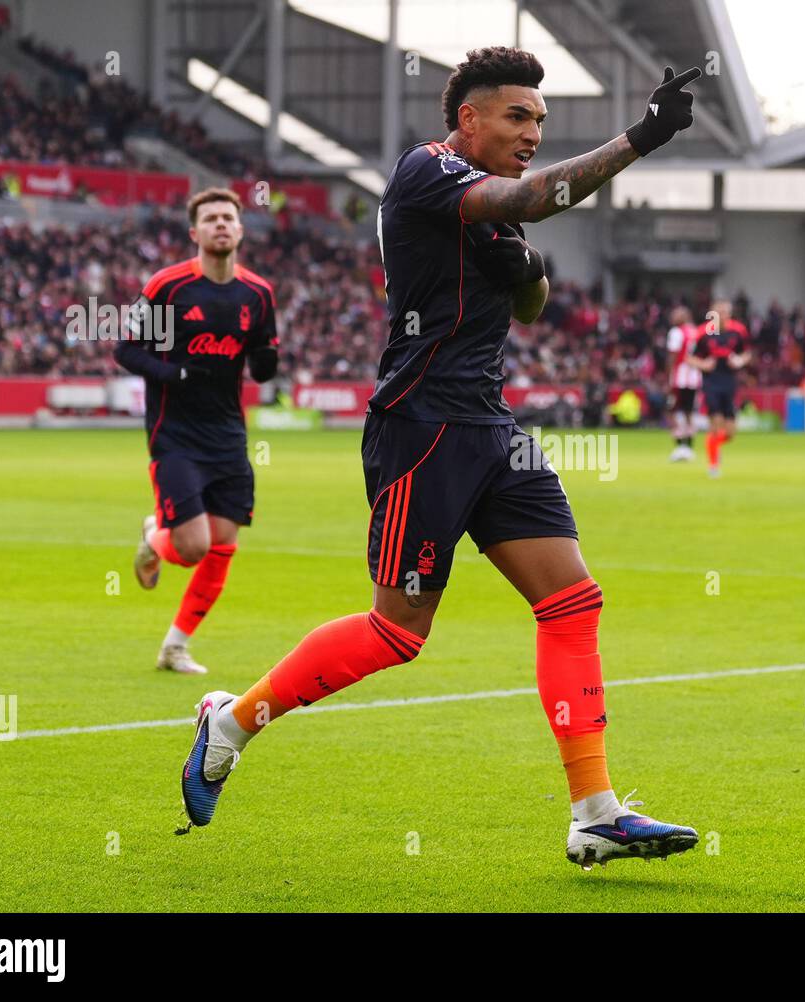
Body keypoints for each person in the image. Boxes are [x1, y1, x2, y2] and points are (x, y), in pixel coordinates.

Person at [179, 47, 702, 870]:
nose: (532, 132)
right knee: (398, 631)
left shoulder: (497, 202)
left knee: (572, 602)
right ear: (469, 119)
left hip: (493, 428)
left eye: (540, 120)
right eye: (518, 116)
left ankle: (594, 812)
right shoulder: (428, 169)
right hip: (421, 426)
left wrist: (526, 267)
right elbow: (533, 194)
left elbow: (529, 303)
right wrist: (641, 135)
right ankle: (233, 722)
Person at [113, 188, 279, 673]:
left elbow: (264, 363)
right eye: (211, 219)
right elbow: (126, 350)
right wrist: (173, 374)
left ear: (241, 230)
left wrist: (267, 363)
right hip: (175, 435)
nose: (221, 225)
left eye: (229, 218)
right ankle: (153, 536)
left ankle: (175, 646)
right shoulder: (168, 287)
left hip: (228, 434)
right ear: (195, 233)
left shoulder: (258, 293)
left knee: (223, 543)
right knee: (191, 547)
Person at [690, 299, 750, 477]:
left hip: (729, 382)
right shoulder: (703, 333)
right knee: (715, 425)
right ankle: (713, 465)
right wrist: (703, 364)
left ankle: (713, 446)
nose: (723, 316)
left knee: (730, 433)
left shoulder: (738, 331)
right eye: (719, 313)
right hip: (711, 383)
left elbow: (747, 352)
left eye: (726, 313)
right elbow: (689, 357)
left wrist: (740, 360)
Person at [665, 305, 700, 461]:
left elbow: (673, 355)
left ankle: (680, 446)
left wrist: (668, 377)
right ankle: (689, 447)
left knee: (671, 411)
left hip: (680, 378)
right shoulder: (696, 331)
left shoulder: (676, 332)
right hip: (694, 378)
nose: (673, 317)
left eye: (676, 314)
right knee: (688, 412)